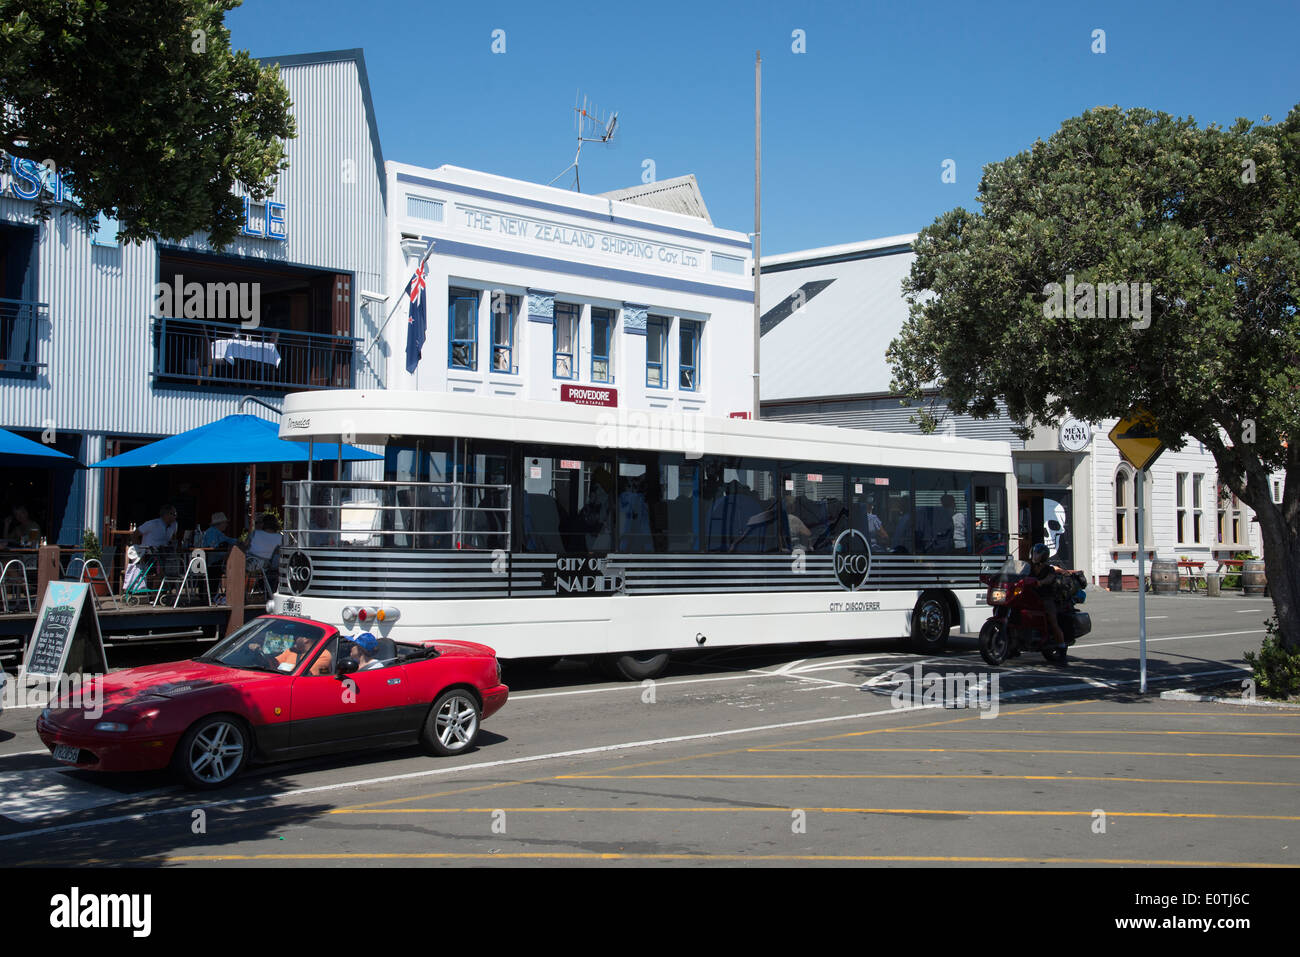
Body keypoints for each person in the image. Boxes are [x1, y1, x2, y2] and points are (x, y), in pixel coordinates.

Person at [1029, 542, 1067, 651]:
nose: (1034, 556)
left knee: (1052, 622)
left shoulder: (1049, 569)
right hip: (1032, 597)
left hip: (1046, 598)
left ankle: (1062, 646)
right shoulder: (1029, 568)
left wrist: (1041, 582)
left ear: (1044, 556)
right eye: (1034, 553)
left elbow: (1050, 578)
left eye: (1037, 554)